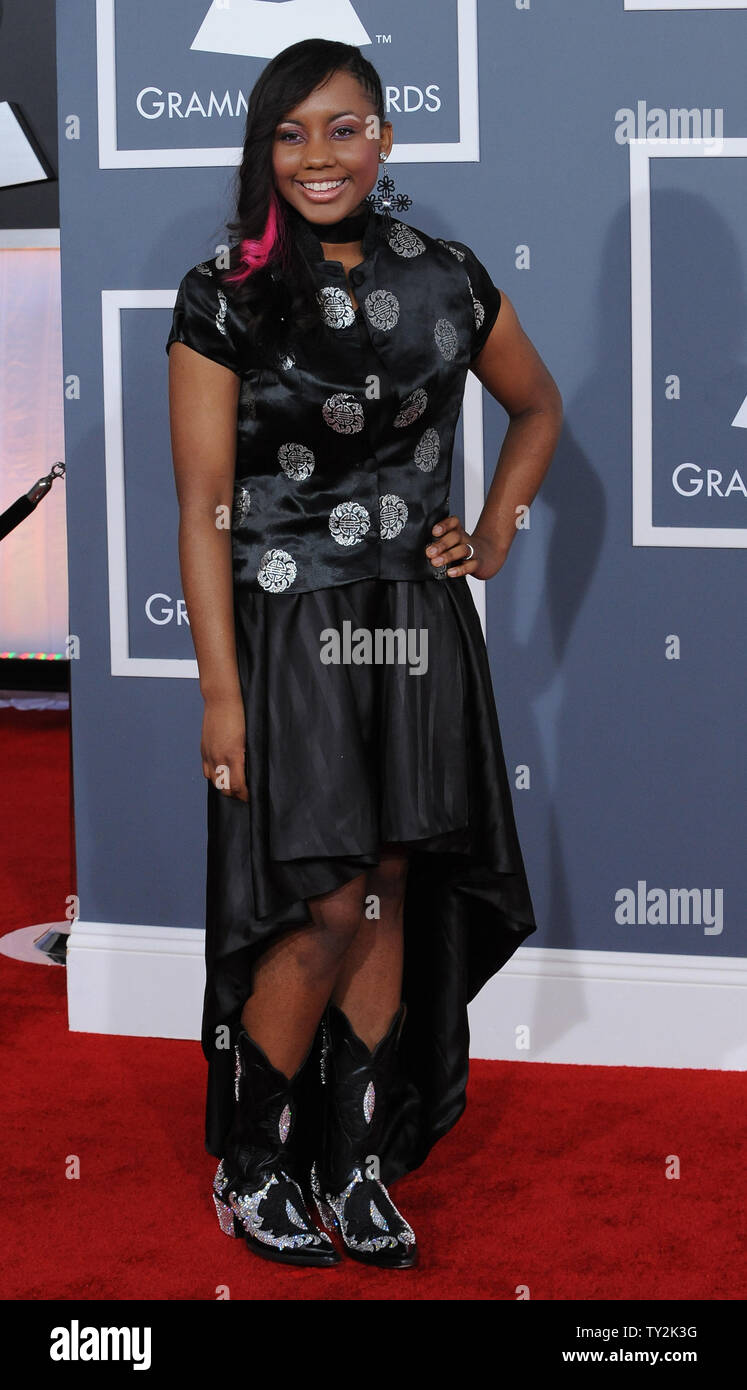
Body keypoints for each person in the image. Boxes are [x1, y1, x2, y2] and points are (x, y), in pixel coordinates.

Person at [166, 38, 562, 1271]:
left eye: (342, 129)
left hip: (415, 626)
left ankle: (354, 1159)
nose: (317, 156)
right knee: (326, 894)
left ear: (385, 138)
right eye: (291, 133)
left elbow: (538, 407)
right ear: (263, 148)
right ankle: (253, 1162)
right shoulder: (225, 290)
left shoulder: (445, 278)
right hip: (288, 626)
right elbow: (202, 510)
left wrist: (491, 527)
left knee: (390, 882)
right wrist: (221, 690)